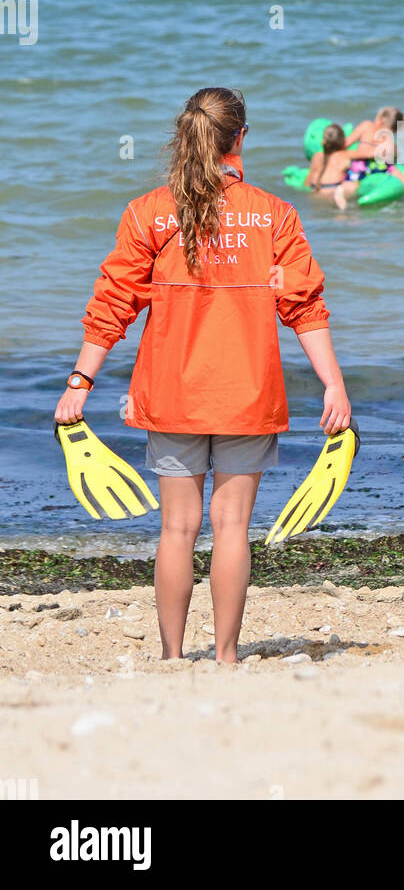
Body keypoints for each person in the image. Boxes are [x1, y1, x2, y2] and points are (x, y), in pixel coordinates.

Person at [53, 87, 351, 664]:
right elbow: (305, 307)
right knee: (233, 525)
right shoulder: (274, 214)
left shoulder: (148, 212)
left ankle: (171, 657)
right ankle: (227, 656)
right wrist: (333, 384)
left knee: (176, 530)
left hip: (172, 394)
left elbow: (113, 302)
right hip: (247, 395)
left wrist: (78, 384)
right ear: (240, 138)